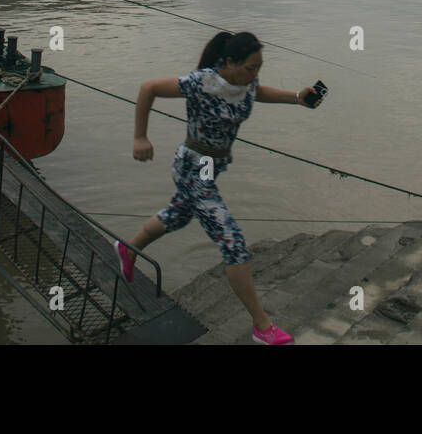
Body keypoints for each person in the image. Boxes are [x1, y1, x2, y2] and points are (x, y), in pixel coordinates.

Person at [116, 30, 324, 345]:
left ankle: (128, 249)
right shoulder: (202, 82)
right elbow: (148, 89)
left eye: (258, 69)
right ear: (229, 62)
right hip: (192, 168)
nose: (255, 75)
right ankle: (262, 326)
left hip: (212, 169)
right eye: (250, 68)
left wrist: (297, 98)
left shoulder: (245, 83)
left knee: (177, 215)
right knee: (233, 241)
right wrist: (140, 137)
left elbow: (258, 92)